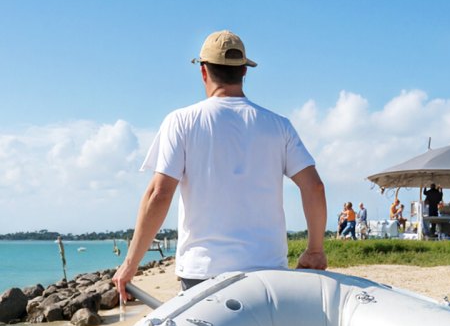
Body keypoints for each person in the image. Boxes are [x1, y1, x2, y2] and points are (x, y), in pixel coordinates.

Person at [113, 30, 327, 300]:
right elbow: (315, 187)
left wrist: (130, 265)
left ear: (203, 71)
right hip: (268, 272)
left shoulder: (181, 121)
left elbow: (159, 194)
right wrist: (315, 251)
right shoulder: (279, 126)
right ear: (244, 72)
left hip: (203, 273)